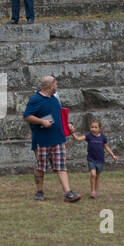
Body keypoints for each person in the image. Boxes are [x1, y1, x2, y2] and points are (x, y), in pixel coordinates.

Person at [22, 75, 81, 203]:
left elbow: (60, 114)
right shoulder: (35, 100)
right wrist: (42, 121)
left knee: (61, 166)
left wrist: (68, 124)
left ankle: (68, 193)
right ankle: (39, 191)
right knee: (40, 167)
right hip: (42, 140)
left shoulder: (55, 99)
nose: (57, 86)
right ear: (50, 85)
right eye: (56, 83)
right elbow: (26, 116)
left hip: (58, 139)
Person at [70, 118, 118, 198]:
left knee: (97, 176)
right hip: (91, 159)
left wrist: (113, 155)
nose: (93, 129)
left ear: (99, 129)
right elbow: (78, 139)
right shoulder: (89, 136)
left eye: (96, 127)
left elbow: (106, 146)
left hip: (100, 159)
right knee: (93, 174)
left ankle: (95, 191)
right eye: (92, 127)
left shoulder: (103, 137)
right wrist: (72, 133)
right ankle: (92, 191)